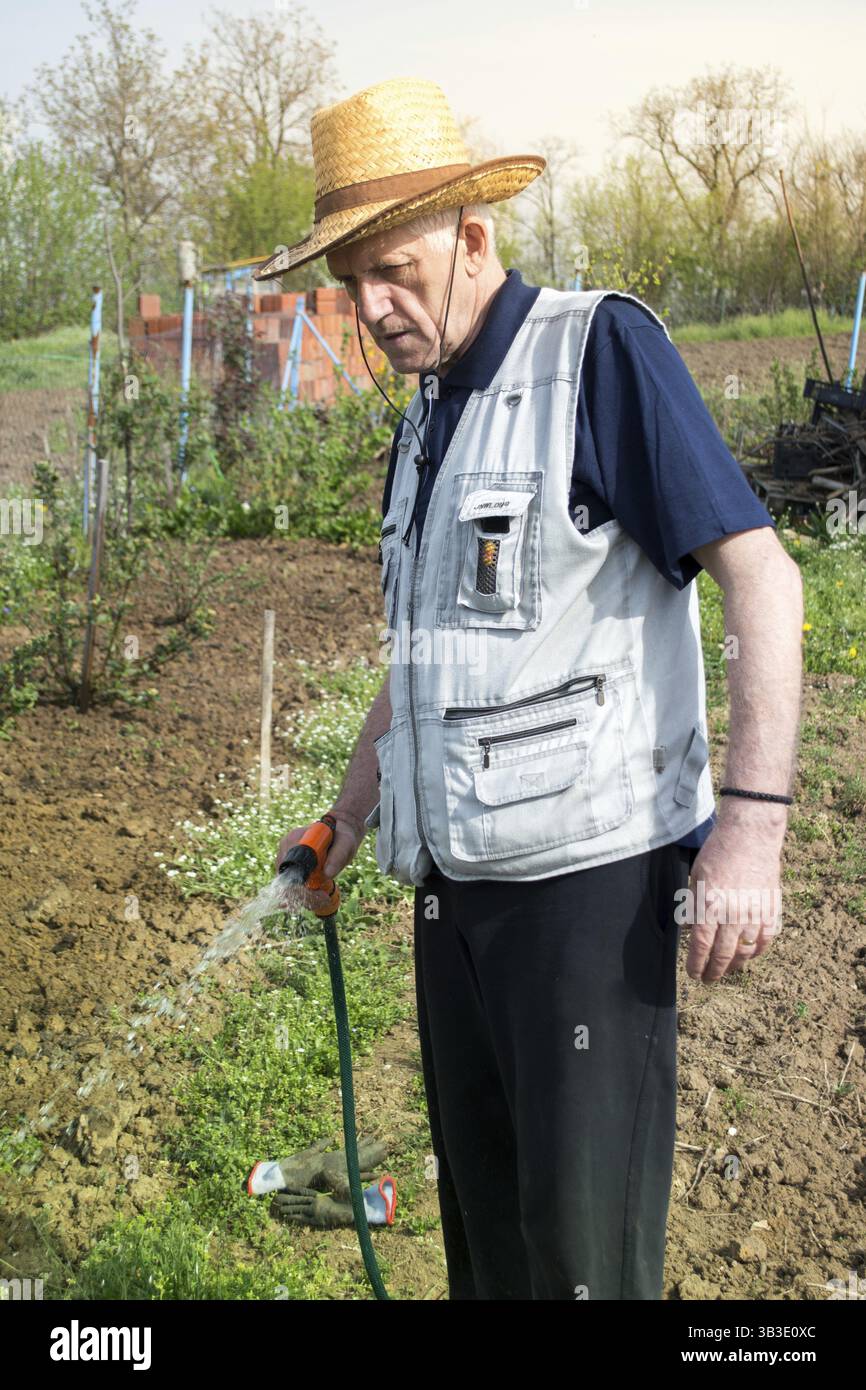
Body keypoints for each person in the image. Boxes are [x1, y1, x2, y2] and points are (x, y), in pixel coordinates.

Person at [263, 77, 803, 1300]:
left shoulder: (597, 353)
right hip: (453, 901)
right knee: (490, 1244)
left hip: (585, 901)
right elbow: (422, 664)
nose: (372, 307)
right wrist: (344, 821)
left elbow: (764, 582)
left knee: (580, 1255)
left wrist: (750, 837)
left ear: (473, 238)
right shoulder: (426, 418)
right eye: (349, 283)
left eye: (393, 269)